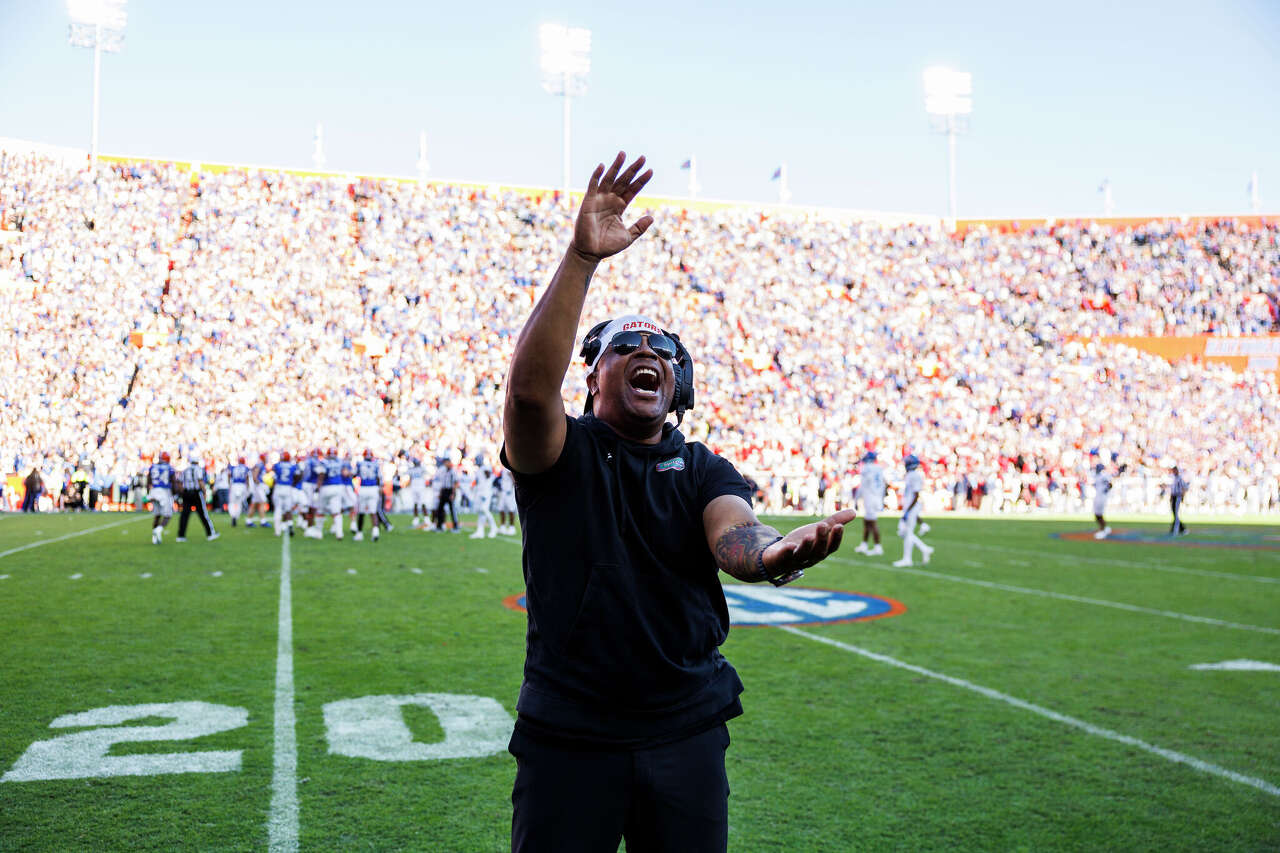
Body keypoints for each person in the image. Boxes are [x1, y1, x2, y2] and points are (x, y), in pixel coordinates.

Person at [500, 152, 855, 853]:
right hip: (570, 733)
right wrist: (580, 257)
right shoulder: (563, 451)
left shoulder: (702, 466)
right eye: (625, 346)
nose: (648, 352)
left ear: (677, 383)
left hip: (685, 728)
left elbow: (737, 535)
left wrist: (774, 553)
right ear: (594, 376)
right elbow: (529, 394)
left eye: (662, 349)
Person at [893, 454, 933, 567]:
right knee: (903, 532)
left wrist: (908, 511)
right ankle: (924, 549)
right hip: (910, 507)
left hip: (911, 507)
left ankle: (907, 559)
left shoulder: (914, 475)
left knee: (907, 533)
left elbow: (916, 495)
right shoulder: (912, 475)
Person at [175, 456, 219, 543]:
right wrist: (205, 492)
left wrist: (183, 492)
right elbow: (200, 481)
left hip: (187, 493)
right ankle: (210, 533)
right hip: (196, 493)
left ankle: (181, 536)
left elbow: (179, 482)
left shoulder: (186, 469)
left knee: (185, 515)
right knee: (203, 514)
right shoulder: (198, 469)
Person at [854, 450, 886, 556]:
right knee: (867, 522)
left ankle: (878, 547)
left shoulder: (866, 468)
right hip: (877, 497)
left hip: (870, 497)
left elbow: (863, 485)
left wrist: (856, 499)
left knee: (872, 523)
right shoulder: (879, 468)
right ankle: (864, 545)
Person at [353, 449, 387, 542]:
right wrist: (380, 488)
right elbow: (380, 478)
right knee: (373, 512)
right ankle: (375, 532)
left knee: (361, 512)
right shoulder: (376, 464)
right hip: (373, 488)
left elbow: (354, 474)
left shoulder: (360, 464)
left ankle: (359, 533)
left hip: (363, 488)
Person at [1092, 460, 1112, 539]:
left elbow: (1110, 485)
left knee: (1098, 514)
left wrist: (1105, 490)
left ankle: (1102, 530)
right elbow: (1110, 484)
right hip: (1100, 496)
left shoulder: (1101, 476)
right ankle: (1104, 528)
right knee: (1098, 514)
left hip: (1101, 497)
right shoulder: (1104, 476)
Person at [1169, 464, 1189, 536]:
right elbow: (1172, 489)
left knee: (1176, 513)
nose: (1173, 472)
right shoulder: (1174, 478)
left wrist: (1182, 495)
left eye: (1174, 470)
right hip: (1174, 496)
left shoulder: (1180, 478)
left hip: (1178, 496)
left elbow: (1185, 487)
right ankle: (1182, 529)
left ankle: (1176, 530)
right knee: (1174, 513)